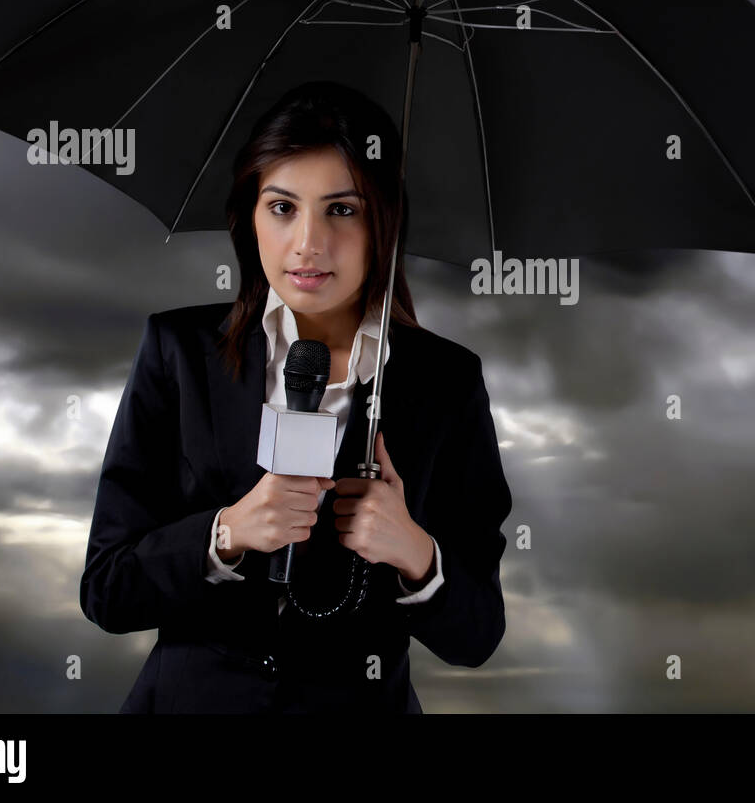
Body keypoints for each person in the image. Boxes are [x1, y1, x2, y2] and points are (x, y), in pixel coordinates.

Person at [79, 81, 513, 712]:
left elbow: (477, 636)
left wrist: (413, 550)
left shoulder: (446, 382)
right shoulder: (177, 350)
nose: (308, 243)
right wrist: (226, 533)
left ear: (384, 220)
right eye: (283, 207)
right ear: (248, 216)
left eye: (342, 209)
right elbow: (106, 591)